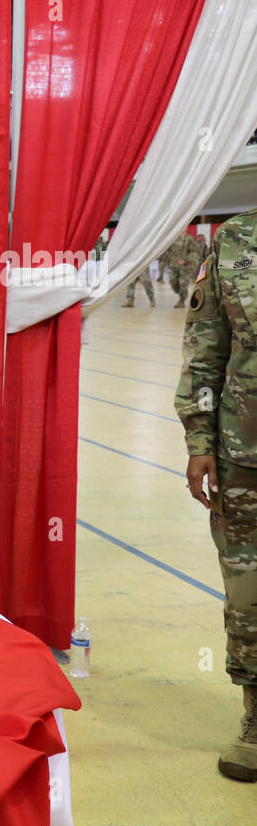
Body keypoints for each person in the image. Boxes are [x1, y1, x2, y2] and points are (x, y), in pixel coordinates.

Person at [175, 207, 257, 782]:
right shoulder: (235, 238)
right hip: (243, 455)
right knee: (249, 599)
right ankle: (256, 720)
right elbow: (206, 347)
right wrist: (200, 436)